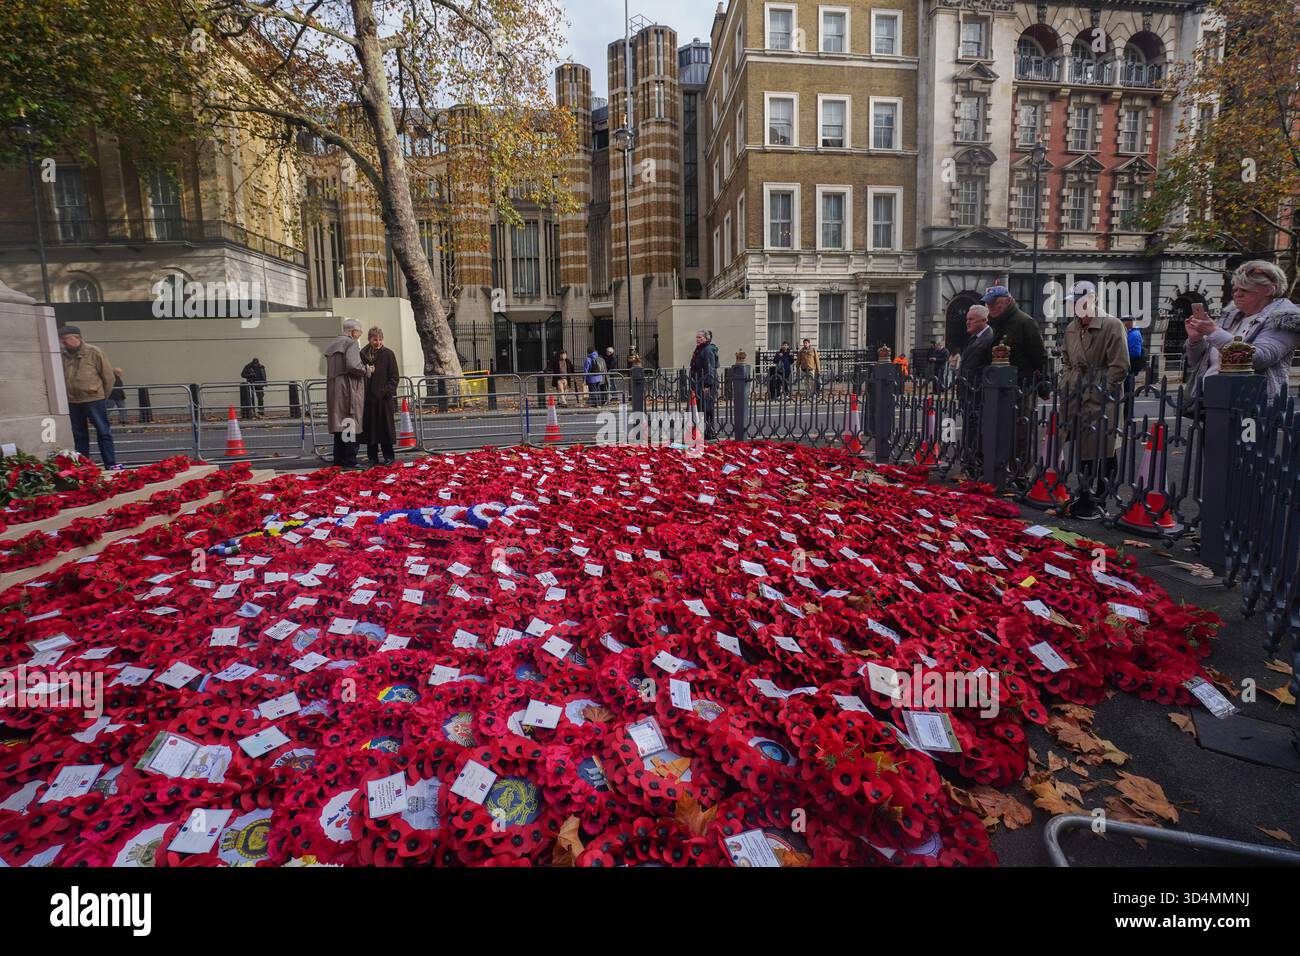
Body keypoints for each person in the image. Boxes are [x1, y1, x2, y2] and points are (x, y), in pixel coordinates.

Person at [1058, 281, 1129, 520]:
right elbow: (1067, 359)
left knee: (1105, 447)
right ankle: (1086, 495)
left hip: (1101, 395)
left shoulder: (1111, 324)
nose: (1078, 307)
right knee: (1083, 447)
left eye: (1082, 301)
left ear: (1093, 299)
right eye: (1073, 302)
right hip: (1076, 392)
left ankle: (1100, 498)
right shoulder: (1071, 327)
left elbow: (1120, 366)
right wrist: (1067, 381)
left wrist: (1101, 389)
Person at [1184, 260, 1300, 403]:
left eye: (1245, 290)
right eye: (1235, 289)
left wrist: (1213, 332)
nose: (1237, 295)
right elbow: (1198, 363)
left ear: (1269, 290)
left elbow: (1260, 358)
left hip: (1253, 406)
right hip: (1212, 401)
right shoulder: (1231, 316)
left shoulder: (1284, 319)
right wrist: (1196, 340)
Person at [983, 285, 1049, 475]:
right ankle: (1002, 467)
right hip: (999, 386)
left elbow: (1040, 356)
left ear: (1008, 300)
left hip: (1021, 384)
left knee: (1021, 429)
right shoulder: (996, 323)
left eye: (995, 303)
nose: (991, 307)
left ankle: (1020, 470)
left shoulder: (1024, 322)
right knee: (1001, 428)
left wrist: (1043, 385)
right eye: (988, 304)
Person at [59, 326, 118, 469]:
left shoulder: (94, 352)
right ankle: (83, 465)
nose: (62, 343)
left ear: (77, 338)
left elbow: (109, 377)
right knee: (79, 435)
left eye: (65, 339)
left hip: (94, 399)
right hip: (73, 401)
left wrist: (101, 395)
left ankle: (110, 464)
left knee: (103, 432)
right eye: (61, 340)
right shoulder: (62, 355)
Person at [325, 319, 370, 468]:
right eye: (359, 332)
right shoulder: (351, 343)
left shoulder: (333, 344)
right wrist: (368, 370)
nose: (359, 335)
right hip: (349, 388)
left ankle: (339, 459)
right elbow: (353, 365)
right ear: (353, 332)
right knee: (351, 423)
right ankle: (350, 460)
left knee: (340, 425)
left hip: (335, 388)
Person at [958, 306, 995, 473]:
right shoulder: (975, 338)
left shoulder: (989, 338)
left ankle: (975, 464)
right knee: (970, 428)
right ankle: (970, 463)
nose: (967, 322)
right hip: (969, 391)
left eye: (971, 319)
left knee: (977, 429)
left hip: (978, 392)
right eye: (967, 319)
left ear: (984, 320)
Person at [359, 326, 399, 467]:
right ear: (369, 339)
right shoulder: (363, 355)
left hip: (383, 399)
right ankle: (372, 457)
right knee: (371, 431)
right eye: (375, 339)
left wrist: (385, 392)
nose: (378, 342)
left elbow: (394, 377)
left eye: (380, 339)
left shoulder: (388, 354)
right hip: (368, 400)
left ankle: (389, 456)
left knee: (385, 429)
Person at [689, 329, 720, 439]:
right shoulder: (700, 349)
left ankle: (709, 432)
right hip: (699, 383)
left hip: (706, 384)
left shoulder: (707, 350)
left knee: (707, 408)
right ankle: (704, 431)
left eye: (700, 337)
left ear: (707, 339)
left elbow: (710, 368)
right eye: (697, 337)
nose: (697, 339)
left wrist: (707, 385)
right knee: (702, 408)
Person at [1123, 316, 1146, 400]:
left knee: (1127, 391)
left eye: (1123, 321)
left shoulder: (1134, 334)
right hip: (1128, 366)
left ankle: (1128, 410)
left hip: (1130, 366)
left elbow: (1134, 353)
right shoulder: (1130, 333)